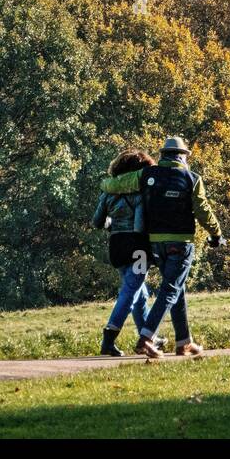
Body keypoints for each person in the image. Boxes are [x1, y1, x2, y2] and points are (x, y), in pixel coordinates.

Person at [99, 136, 222, 358]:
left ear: (163, 154)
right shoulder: (192, 178)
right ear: (183, 156)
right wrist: (216, 233)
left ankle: (184, 342)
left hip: (155, 244)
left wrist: (104, 185)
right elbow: (202, 210)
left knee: (177, 288)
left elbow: (116, 184)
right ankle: (146, 338)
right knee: (170, 290)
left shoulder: (147, 175)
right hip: (181, 243)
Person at [91, 148, 159, 356]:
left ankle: (149, 336)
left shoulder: (108, 193)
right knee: (130, 292)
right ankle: (109, 337)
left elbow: (97, 222)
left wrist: (113, 223)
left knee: (140, 292)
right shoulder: (139, 194)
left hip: (116, 246)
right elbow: (139, 228)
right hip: (136, 247)